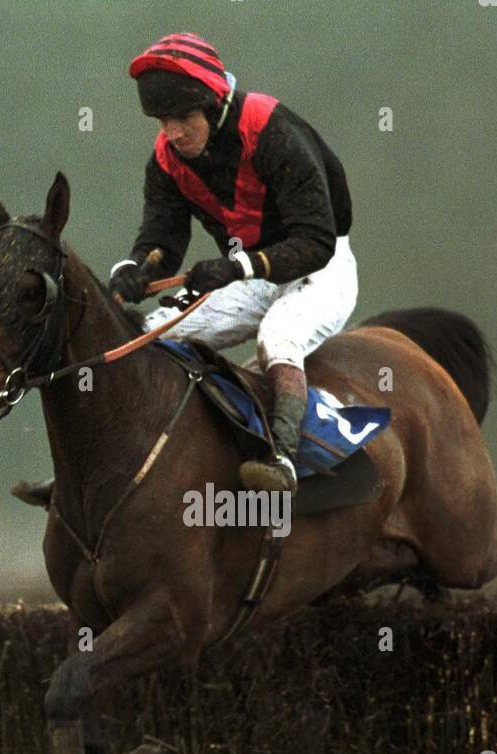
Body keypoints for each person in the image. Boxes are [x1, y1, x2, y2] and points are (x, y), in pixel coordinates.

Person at [108, 31, 357, 493]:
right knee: (150, 336)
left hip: (322, 269)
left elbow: (317, 240)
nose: (173, 133)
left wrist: (237, 268)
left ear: (213, 104)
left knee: (278, 335)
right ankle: (105, 467)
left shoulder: (271, 130)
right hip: (252, 275)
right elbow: (161, 243)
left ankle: (281, 460)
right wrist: (133, 272)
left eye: (184, 117)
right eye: (162, 120)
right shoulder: (166, 160)